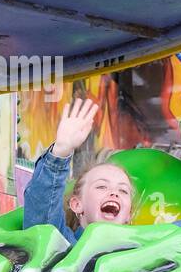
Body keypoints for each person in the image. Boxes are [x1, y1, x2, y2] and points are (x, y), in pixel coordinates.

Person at [22, 97, 133, 244]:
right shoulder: (64, 246)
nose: (114, 193)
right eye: (101, 186)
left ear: (128, 216)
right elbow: (42, 216)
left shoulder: (146, 253)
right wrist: (60, 151)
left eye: (123, 190)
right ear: (77, 205)